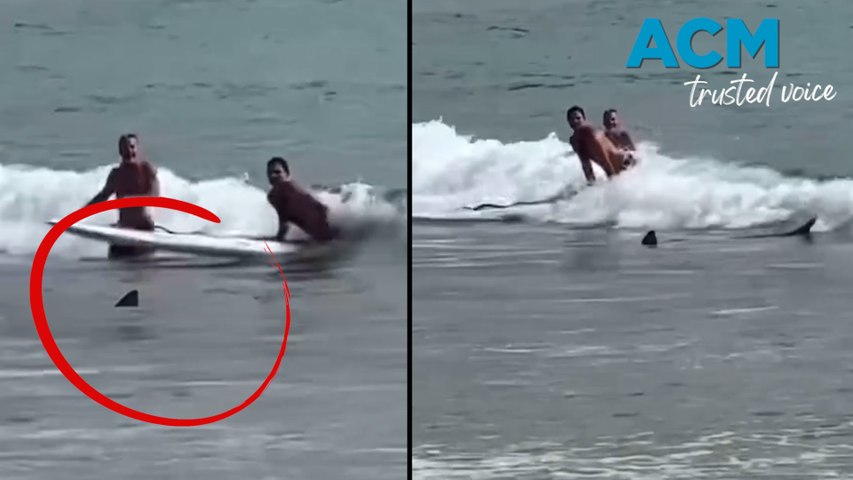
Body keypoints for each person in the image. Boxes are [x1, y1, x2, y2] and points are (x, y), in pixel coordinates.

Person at [86, 133, 160, 258]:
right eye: (124, 148)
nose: (128, 151)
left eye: (131, 147)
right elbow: (103, 196)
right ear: (120, 151)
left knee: (143, 273)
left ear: (137, 148)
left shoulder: (147, 170)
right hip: (122, 231)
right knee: (116, 272)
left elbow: (154, 197)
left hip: (144, 231)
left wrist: (132, 200)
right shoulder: (116, 174)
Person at [265, 156, 338, 243]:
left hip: (327, 234)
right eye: (270, 173)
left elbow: (321, 208)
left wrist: (278, 240)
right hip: (319, 236)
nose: (273, 175)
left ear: (287, 174)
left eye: (277, 172)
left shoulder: (288, 189)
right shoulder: (274, 195)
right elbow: (285, 218)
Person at [566, 105, 635, 184]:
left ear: (584, 119)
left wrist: (612, 178)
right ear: (568, 122)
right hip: (617, 168)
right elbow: (586, 164)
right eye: (572, 119)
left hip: (625, 163)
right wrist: (591, 184)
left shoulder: (589, 130)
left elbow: (603, 154)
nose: (575, 121)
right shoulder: (574, 140)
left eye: (578, 118)